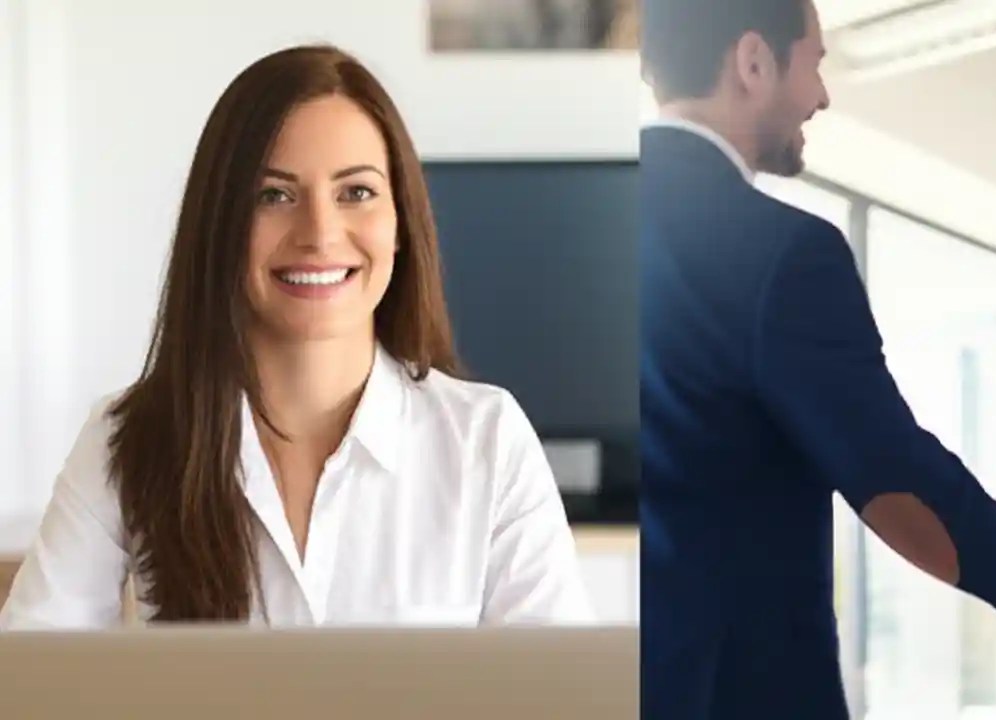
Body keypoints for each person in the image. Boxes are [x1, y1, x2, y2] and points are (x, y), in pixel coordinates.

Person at [0, 45, 591, 628]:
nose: (319, 233)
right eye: (275, 195)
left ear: (400, 223)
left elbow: (557, 680)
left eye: (356, 192)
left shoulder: (487, 440)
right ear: (222, 226)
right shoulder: (126, 439)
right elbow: (31, 670)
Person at [639, 1, 996, 717]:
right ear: (753, 62)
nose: (822, 96)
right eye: (815, 64)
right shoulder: (781, 251)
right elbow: (882, 462)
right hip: (738, 688)